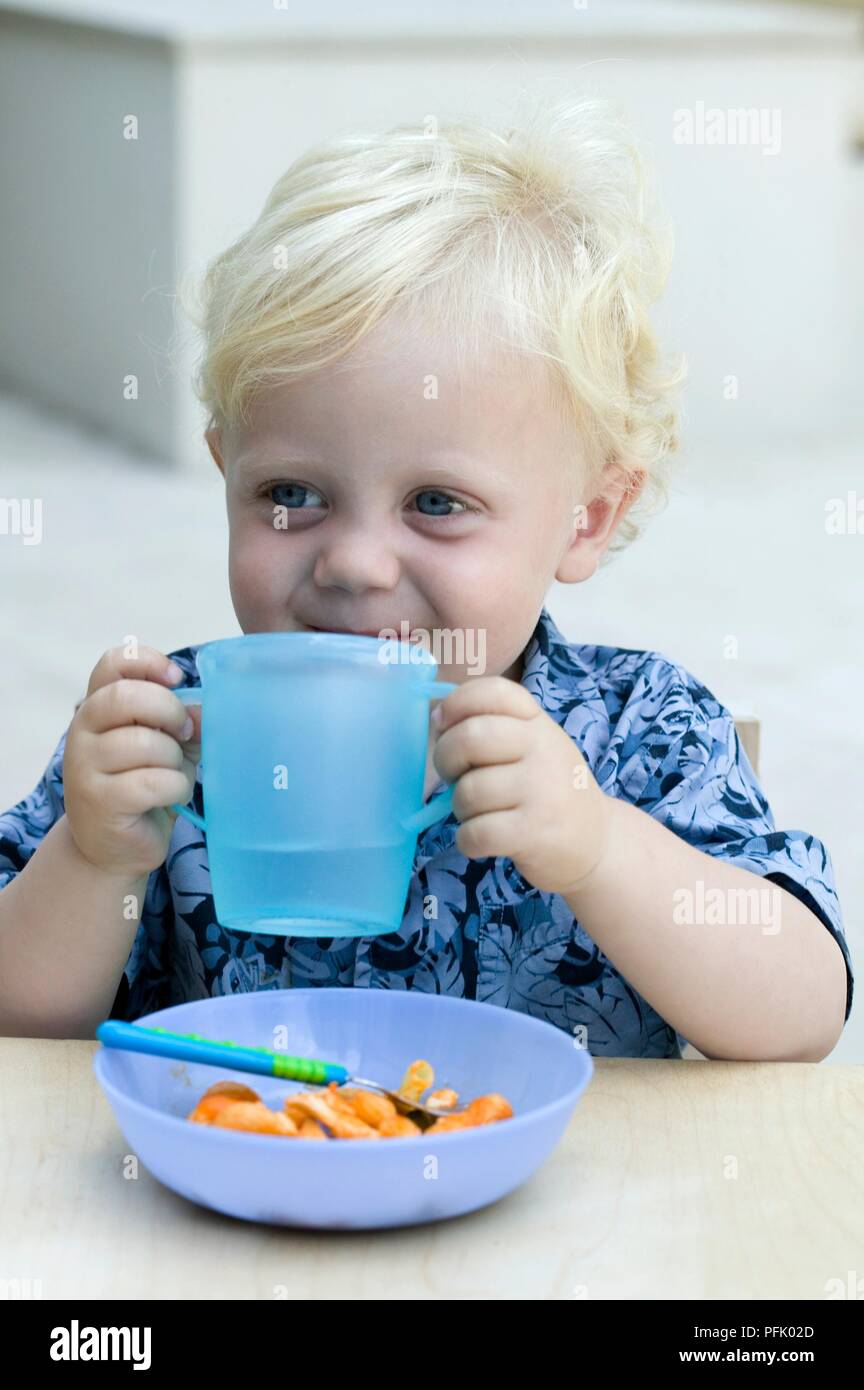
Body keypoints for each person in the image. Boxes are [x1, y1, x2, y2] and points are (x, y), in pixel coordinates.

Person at [0, 98, 852, 1057]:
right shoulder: (176, 735)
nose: (355, 565)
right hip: (247, 1189)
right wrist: (89, 856)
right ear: (224, 475)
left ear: (589, 518)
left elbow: (804, 1015)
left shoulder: (639, 730)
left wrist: (601, 848)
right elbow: (20, 1032)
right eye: (291, 492)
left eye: (437, 503)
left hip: (575, 1202)